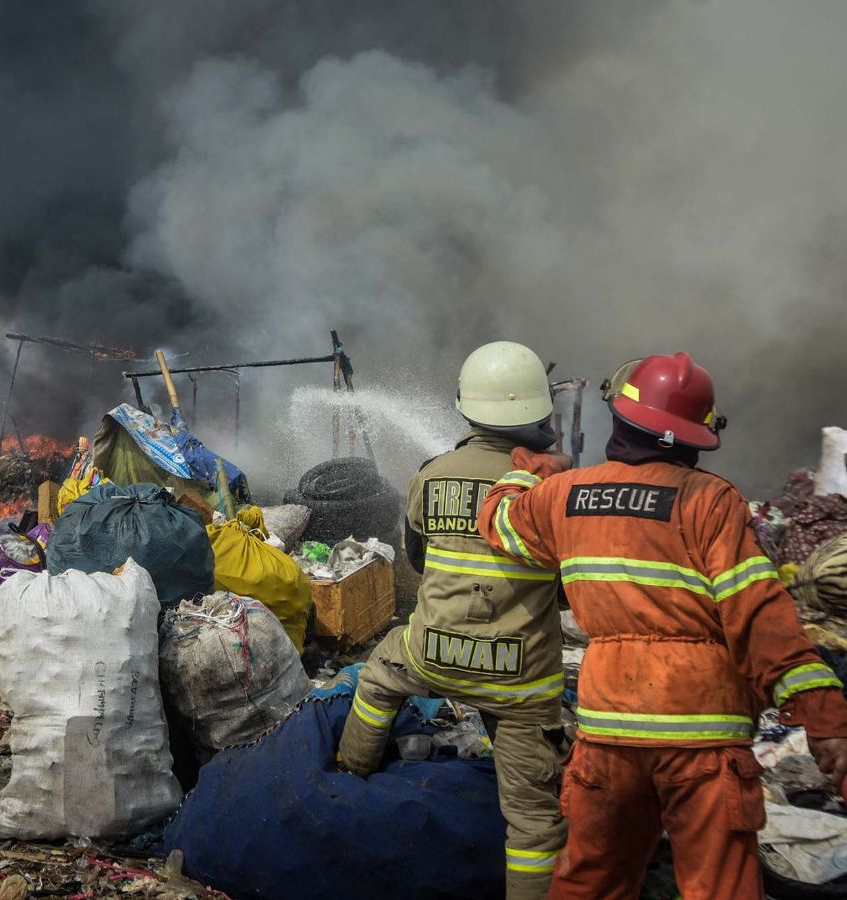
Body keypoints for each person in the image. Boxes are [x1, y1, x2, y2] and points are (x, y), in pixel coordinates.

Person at [477, 351, 847, 900]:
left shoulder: (565, 495)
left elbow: (499, 521)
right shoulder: (712, 501)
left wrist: (526, 472)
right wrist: (824, 716)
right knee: (719, 888)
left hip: (609, 733)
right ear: (697, 434)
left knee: (591, 882)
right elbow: (759, 617)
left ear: (620, 417)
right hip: (704, 740)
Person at [338, 341, 569, 900]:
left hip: (433, 655)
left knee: (380, 672)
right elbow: (566, 590)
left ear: (466, 406)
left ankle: (350, 773)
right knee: (534, 822)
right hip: (519, 682)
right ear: (540, 412)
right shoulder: (553, 489)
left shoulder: (431, 474)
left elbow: (417, 561)